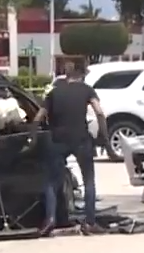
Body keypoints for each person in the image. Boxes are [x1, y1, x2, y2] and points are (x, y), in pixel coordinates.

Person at [35, 62, 105, 234]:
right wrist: (104, 136)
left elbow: (38, 117)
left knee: (51, 181)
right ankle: (90, 222)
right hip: (81, 139)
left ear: (66, 75)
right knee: (88, 179)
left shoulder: (53, 92)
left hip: (57, 139)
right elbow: (100, 112)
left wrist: (33, 136)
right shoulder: (87, 90)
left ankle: (50, 219)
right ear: (81, 75)